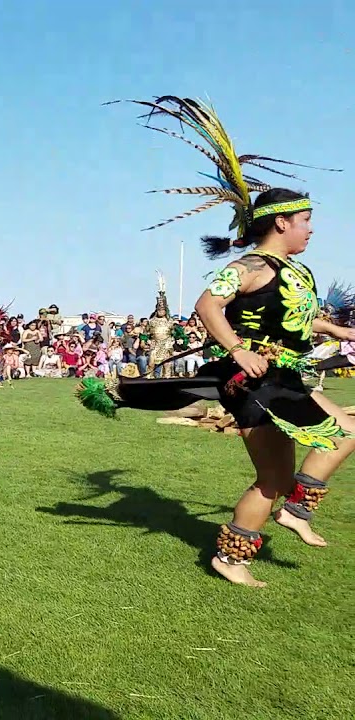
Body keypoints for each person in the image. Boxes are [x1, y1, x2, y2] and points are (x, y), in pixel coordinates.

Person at [81, 96, 354, 587]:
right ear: (281, 222)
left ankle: (289, 514)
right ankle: (236, 554)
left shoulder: (295, 271)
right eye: (306, 221)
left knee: (313, 454)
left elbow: (293, 322)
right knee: (290, 466)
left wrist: (334, 329)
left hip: (282, 375)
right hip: (252, 379)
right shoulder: (247, 267)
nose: (312, 229)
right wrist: (238, 349)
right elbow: (207, 306)